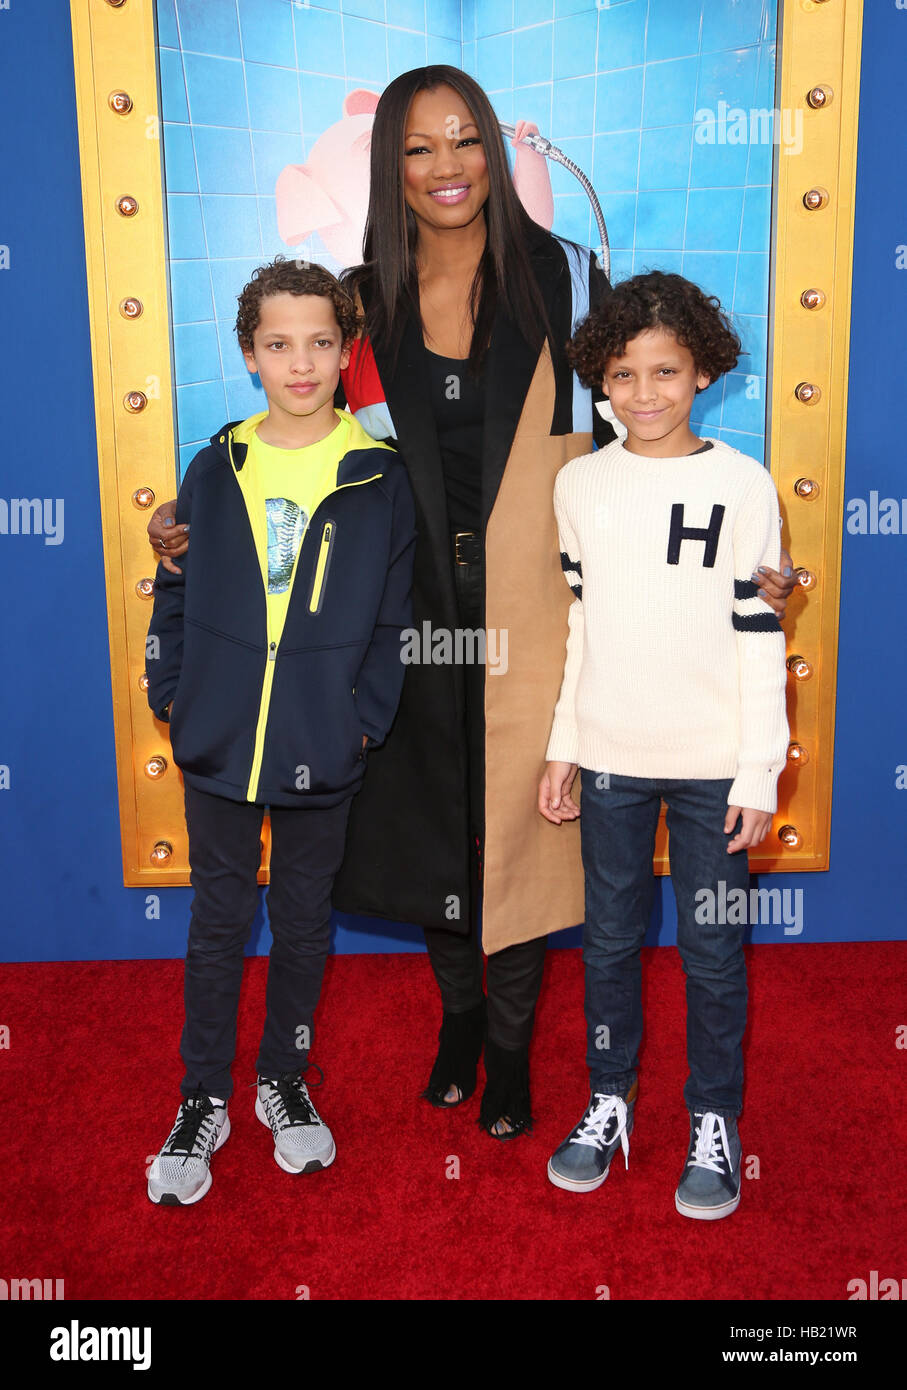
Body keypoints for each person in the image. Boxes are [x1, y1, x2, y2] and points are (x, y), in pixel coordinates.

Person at [147, 66, 796, 1141]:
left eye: (463, 140)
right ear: (390, 169)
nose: (444, 165)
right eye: (416, 147)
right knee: (431, 817)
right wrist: (192, 521)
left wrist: (744, 560)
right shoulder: (358, 300)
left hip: (539, 606)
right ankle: (457, 1020)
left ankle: (506, 1044)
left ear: (494, 149)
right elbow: (302, 438)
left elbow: (637, 444)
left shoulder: (572, 281)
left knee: (517, 829)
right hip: (396, 605)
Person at [144, 258, 415, 1204]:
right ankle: (199, 1096)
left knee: (303, 924)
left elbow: (393, 619)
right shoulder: (214, 465)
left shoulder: (379, 475)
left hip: (320, 744)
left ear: (346, 352)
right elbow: (174, 588)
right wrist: (172, 691)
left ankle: (284, 1079)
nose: (299, 363)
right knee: (218, 923)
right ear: (249, 354)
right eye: (277, 344)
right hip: (217, 739)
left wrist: (359, 722)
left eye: (319, 343)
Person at [539, 270, 789, 1220]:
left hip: (713, 769)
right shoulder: (578, 484)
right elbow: (580, 626)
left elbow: (758, 633)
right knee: (606, 942)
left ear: (702, 374)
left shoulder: (743, 484)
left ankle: (712, 1120)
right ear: (599, 380)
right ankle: (609, 1100)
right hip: (607, 760)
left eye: (665, 372)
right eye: (623, 374)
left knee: (713, 950)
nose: (643, 394)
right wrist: (565, 742)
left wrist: (758, 770)